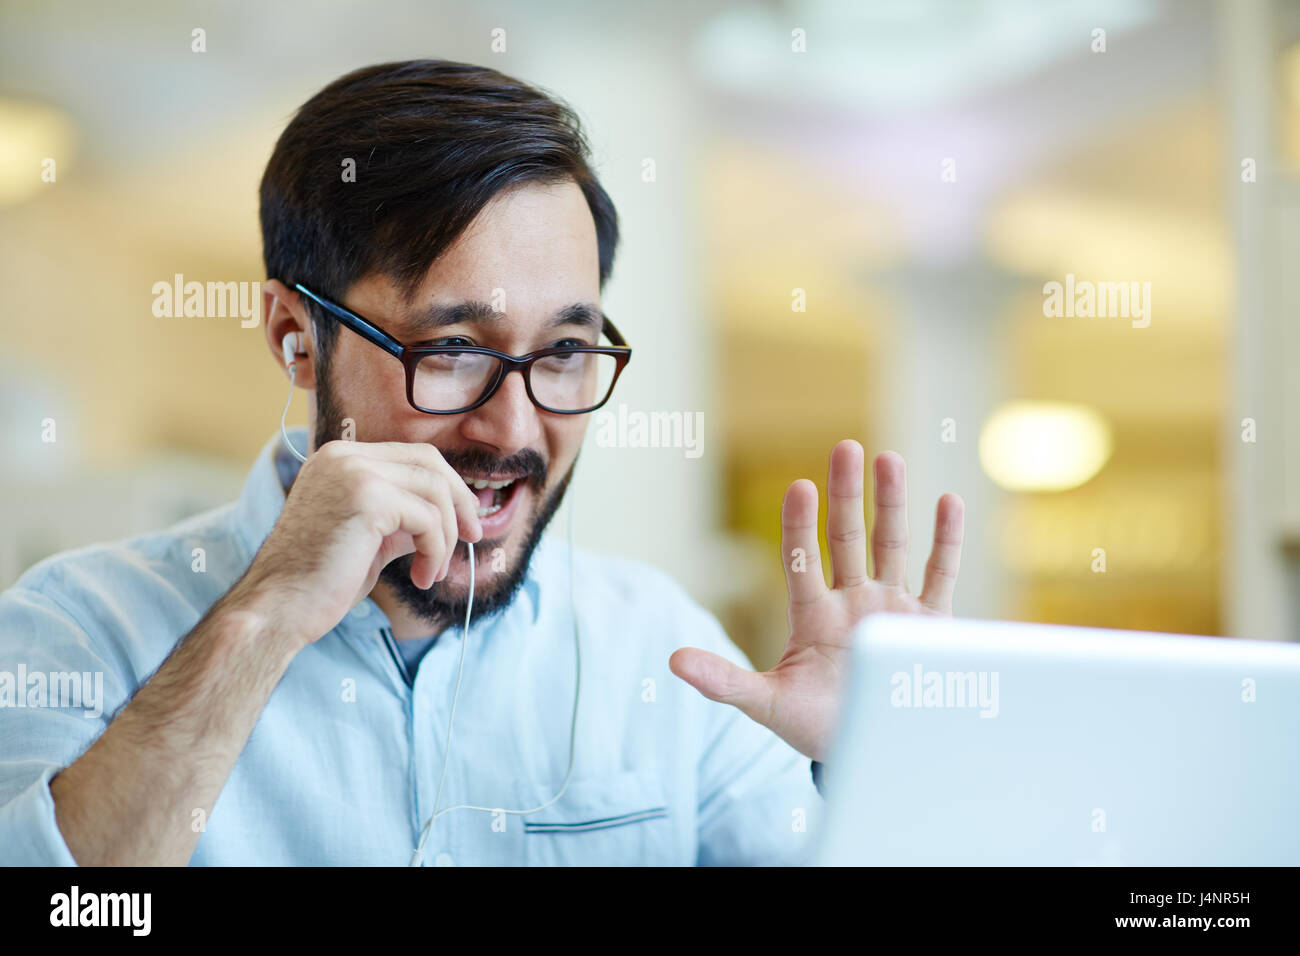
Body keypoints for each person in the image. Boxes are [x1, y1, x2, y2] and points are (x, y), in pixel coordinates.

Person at [0, 59, 964, 865]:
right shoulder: (79, 631)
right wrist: (262, 620)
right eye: (453, 348)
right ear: (298, 337)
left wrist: (884, 778)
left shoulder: (659, 652)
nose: (513, 429)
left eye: (563, 353)